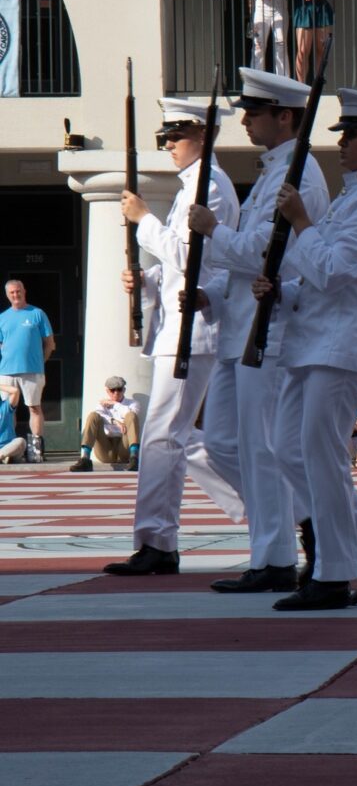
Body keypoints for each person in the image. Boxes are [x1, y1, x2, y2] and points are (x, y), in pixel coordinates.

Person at [255, 87, 357, 610]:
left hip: (342, 341)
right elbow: (311, 275)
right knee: (286, 447)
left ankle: (335, 570)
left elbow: (335, 270)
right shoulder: (351, 195)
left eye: (353, 135)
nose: (342, 143)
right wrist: (281, 292)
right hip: (313, 337)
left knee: (322, 456)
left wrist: (301, 221)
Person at [187, 69, 332, 593]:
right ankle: (302, 520)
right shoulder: (273, 172)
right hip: (239, 326)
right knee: (224, 443)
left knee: (259, 448)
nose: (245, 120)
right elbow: (246, 257)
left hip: (269, 329)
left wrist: (213, 230)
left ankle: (272, 555)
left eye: (254, 112)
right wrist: (211, 293)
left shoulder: (300, 175)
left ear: (285, 117)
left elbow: (266, 253)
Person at [105, 97, 244, 577]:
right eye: (166, 138)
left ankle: (157, 542)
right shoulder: (192, 187)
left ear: (203, 135)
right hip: (176, 327)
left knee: (164, 435)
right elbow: (176, 265)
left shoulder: (213, 186)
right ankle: (277, 509)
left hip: (195, 330)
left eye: (177, 137)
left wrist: (144, 220)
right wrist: (145, 281)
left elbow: (195, 257)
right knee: (178, 438)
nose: (169, 146)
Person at [0, 279, 55, 461]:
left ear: (24, 291)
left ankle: (36, 452)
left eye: (18, 291)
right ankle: (12, 451)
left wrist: (41, 362)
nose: (16, 295)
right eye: (12, 293)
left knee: (34, 408)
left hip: (32, 371)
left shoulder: (37, 314)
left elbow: (49, 344)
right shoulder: (2, 318)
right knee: (9, 411)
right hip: (7, 371)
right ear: (7, 295)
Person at [69, 376, 141, 472]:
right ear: (107, 391)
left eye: (119, 389)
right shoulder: (102, 404)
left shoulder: (133, 403)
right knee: (93, 416)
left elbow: (132, 417)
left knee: (131, 415)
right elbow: (100, 416)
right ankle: (85, 459)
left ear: (124, 390)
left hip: (124, 446)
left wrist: (114, 404)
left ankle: (134, 458)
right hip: (105, 448)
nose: (116, 393)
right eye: (112, 390)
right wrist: (115, 421)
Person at [0, 382, 24, 462]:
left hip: (11, 448)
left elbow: (15, 391)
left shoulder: (5, 406)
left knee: (21, 441)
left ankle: (3, 456)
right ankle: (3, 457)